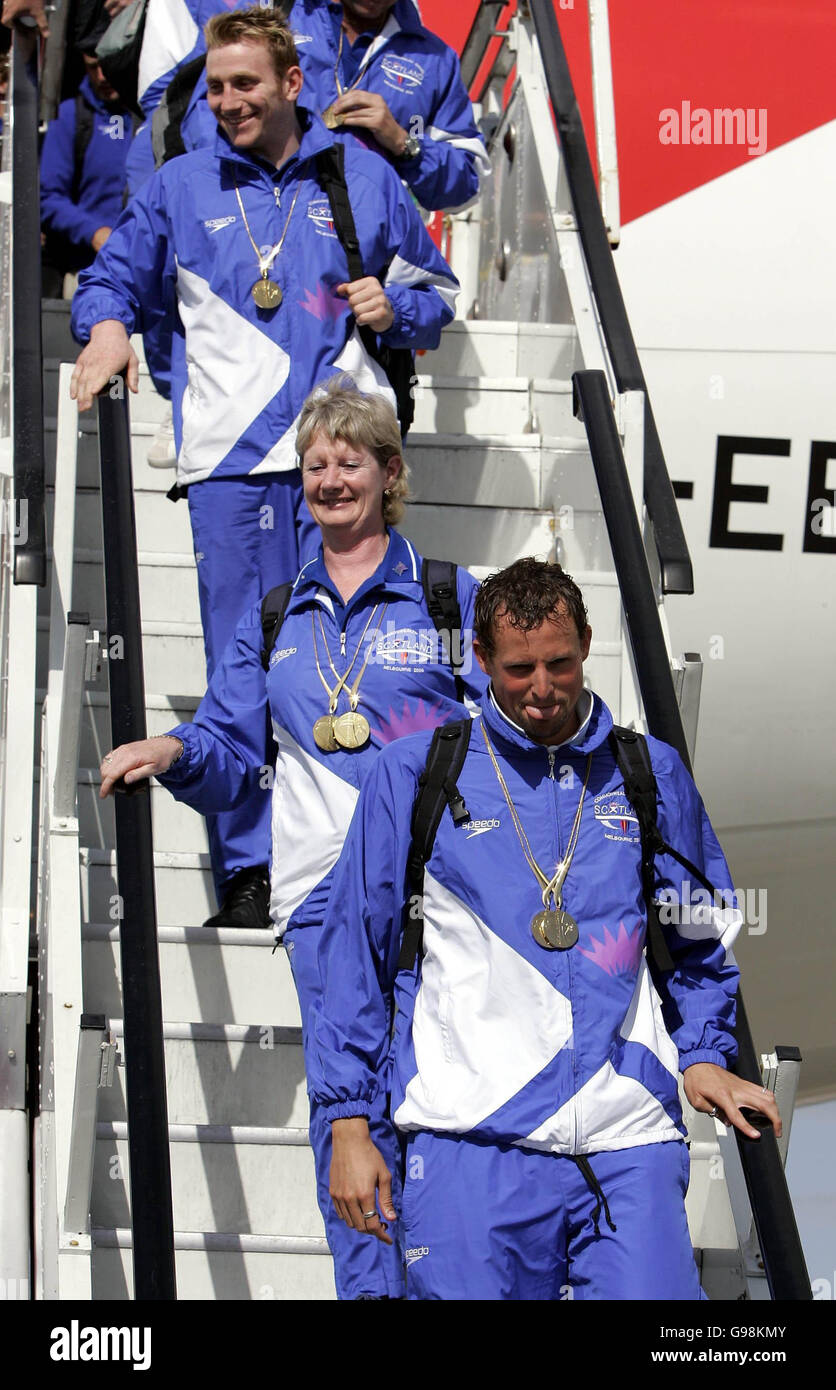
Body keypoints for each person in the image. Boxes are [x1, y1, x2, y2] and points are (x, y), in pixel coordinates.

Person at [97, 377, 488, 1301]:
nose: (331, 479)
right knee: (347, 1123)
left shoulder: (447, 600)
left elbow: (509, 729)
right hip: (324, 908)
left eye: (351, 461)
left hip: (447, 904)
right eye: (315, 465)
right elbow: (233, 749)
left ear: (390, 474)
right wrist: (176, 750)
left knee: (443, 1116)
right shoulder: (274, 618)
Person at [71, 7, 458, 928]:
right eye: (214, 87)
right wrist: (112, 326)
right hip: (233, 463)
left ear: (293, 84)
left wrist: (393, 306)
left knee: (353, 663)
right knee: (242, 658)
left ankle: (355, 862)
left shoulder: (360, 173)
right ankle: (248, 871)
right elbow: (111, 277)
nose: (228, 101)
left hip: (339, 459)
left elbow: (439, 293)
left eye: (246, 83)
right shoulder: (179, 184)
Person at [308, 557, 782, 1300]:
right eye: (519, 668)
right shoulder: (415, 775)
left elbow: (696, 940)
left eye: (560, 664)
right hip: (470, 1137)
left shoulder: (648, 774)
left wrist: (702, 1053)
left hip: (628, 1136)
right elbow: (353, 964)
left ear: (587, 642)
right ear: (480, 659)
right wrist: (347, 1124)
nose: (541, 690)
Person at [180, 1, 489, 214]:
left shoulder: (434, 58)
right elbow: (202, 123)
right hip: (260, 227)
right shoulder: (271, 17)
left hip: (367, 259)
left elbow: (466, 189)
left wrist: (403, 143)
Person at [40, 29, 134, 298]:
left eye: (109, 65)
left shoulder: (151, 115)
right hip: (86, 270)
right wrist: (95, 233)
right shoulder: (70, 116)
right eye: (94, 68)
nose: (103, 76)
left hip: (145, 270)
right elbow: (48, 198)